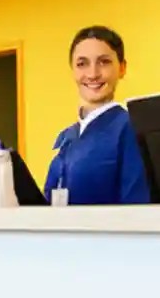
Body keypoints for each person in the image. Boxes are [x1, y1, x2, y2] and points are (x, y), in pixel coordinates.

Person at [43, 26, 151, 205]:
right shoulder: (67, 138)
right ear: (73, 70)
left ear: (122, 68)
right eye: (82, 64)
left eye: (104, 62)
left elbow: (137, 208)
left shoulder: (131, 128)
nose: (93, 74)